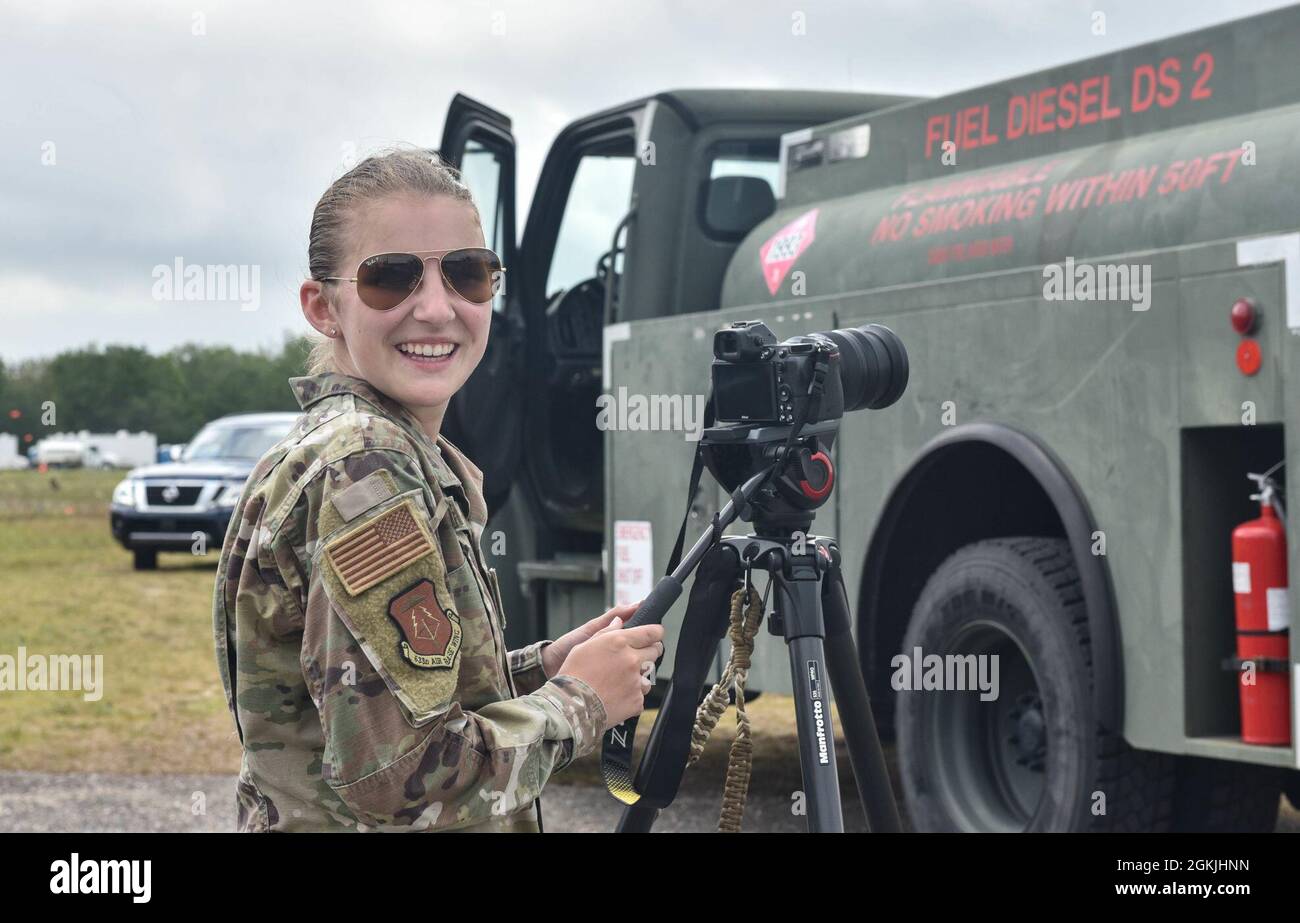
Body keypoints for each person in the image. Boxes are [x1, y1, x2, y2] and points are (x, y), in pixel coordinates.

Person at [212, 147, 663, 832]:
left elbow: (378, 697)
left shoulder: (363, 447)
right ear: (323, 306)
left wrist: (542, 669)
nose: (434, 307)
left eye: (467, 273)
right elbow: (399, 777)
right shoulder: (364, 468)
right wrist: (583, 701)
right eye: (390, 277)